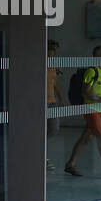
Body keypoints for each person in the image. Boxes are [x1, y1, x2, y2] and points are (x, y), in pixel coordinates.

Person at [65, 45, 101, 180]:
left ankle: (70, 164)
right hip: (91, 109)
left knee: (86, 138)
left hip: (99, 109)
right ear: (97, 57)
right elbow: (86, 92)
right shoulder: (92, 71)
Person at [46, 39, 64, 171]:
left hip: (51, 101)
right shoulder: (39, 62)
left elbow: (54, 83)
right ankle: (43, 157)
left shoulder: (52, 65)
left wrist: (60, 97)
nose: (54, 53)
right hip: (40, 101)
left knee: (54, 128)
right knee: (41, 129)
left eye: (55, 51)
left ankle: (39, 149)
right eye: (52, 50)